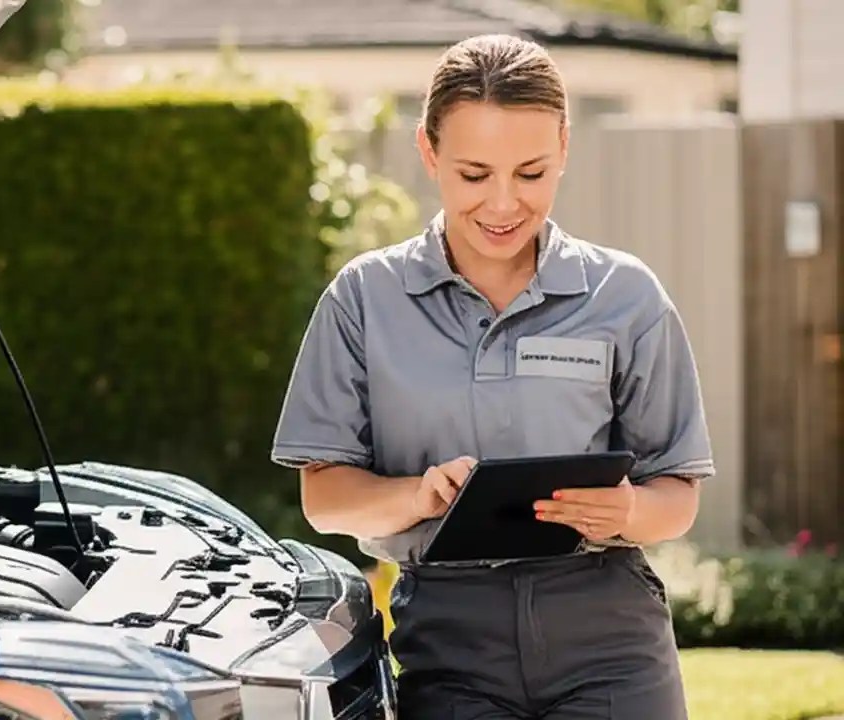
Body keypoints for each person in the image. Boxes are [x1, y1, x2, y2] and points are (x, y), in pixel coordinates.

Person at [270, 34, 713, 720]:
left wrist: (628, 511)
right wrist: (416, 494)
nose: (503, 204)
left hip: (610, 638)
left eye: (531, 173)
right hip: (450, 647)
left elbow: (677, 496)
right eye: (474, 175)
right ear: (428, 152)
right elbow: (325, 500)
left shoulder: (627, 297)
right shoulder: (363, 300)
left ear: (564, 147)